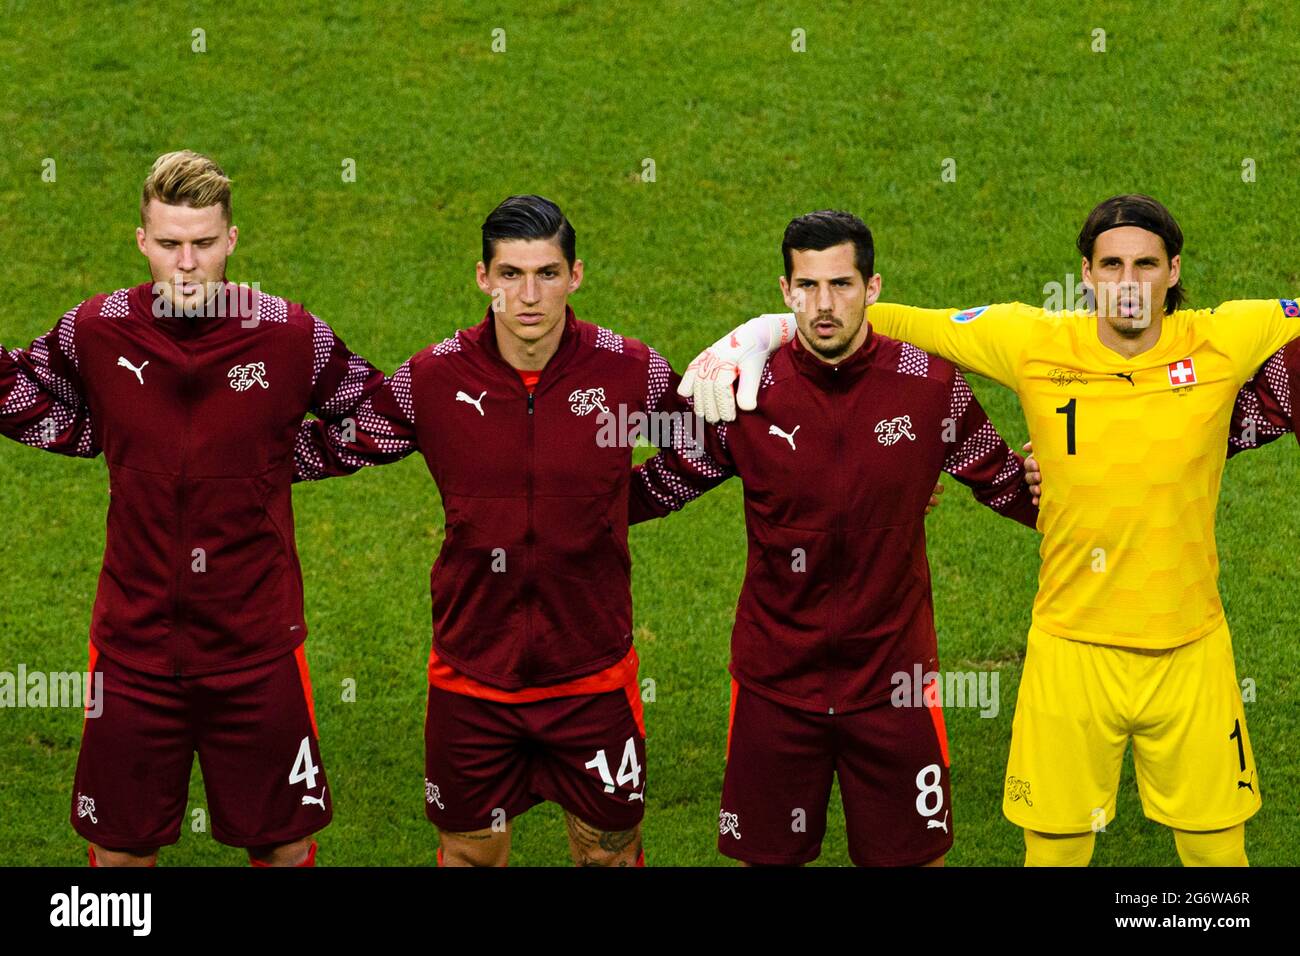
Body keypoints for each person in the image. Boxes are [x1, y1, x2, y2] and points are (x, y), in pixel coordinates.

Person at [680, 195, 1300, 866]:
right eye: (1111, 265)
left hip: (1194, 651)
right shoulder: (1028, 339)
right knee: (1054, 856)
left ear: (1173, 271)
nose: (1128, 284)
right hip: (1070, 651)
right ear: (1085, 275)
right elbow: (889, 320)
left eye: (1146, 265)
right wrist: (761, 332)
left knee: (1218, 859)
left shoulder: (1227, 335)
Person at [0, 150, 386, 866]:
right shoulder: (96, 328)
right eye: (170, 243)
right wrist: (93, 436)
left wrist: (283, 459)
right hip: (133, 647)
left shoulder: (290, 335)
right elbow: (14, 387)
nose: (186, 263)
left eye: (203, 244)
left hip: (257, 646)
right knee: (117, 853)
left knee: (283, 845)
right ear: (141, 240)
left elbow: (382, 414)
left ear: (231, 242)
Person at [624, 210, 1038, 866]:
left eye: (842, 285)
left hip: (895, 681)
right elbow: (660, 487)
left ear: (873, 288)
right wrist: (549, 505)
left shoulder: (931, 388)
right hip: (774, 684)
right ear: (785, 292)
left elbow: (1009, 489)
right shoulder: (745, 393)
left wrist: (1066, 485)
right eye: (808, 286)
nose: (825, 304)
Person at [295, 195, 694, 866]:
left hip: (591, 677)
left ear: (576, 275)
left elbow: (705, 444)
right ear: (483, 279)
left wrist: (616, 505)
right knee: (470, 855)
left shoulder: (627, 372)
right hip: (472, 676)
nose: (529, 294)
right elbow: (335, 447)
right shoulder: (434, 379)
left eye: (546, 273)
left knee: (611, 856)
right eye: (511, 274)